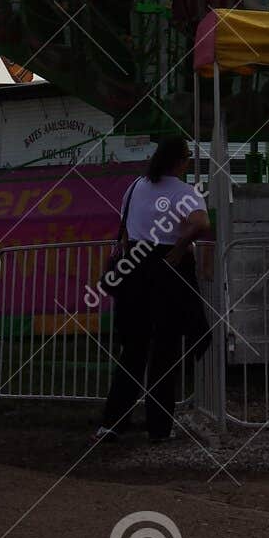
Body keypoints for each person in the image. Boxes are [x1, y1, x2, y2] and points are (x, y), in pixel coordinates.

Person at [94, 135, 211, 446]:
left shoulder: (135, 187)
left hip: (134, 271)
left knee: (132, 350)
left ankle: (112, 423)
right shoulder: (185, 193)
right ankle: (158, 428)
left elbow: (124, 232)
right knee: (164, 352)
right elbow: (201, 223)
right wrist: (179, 248)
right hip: (166, 274)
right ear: (180, 161)